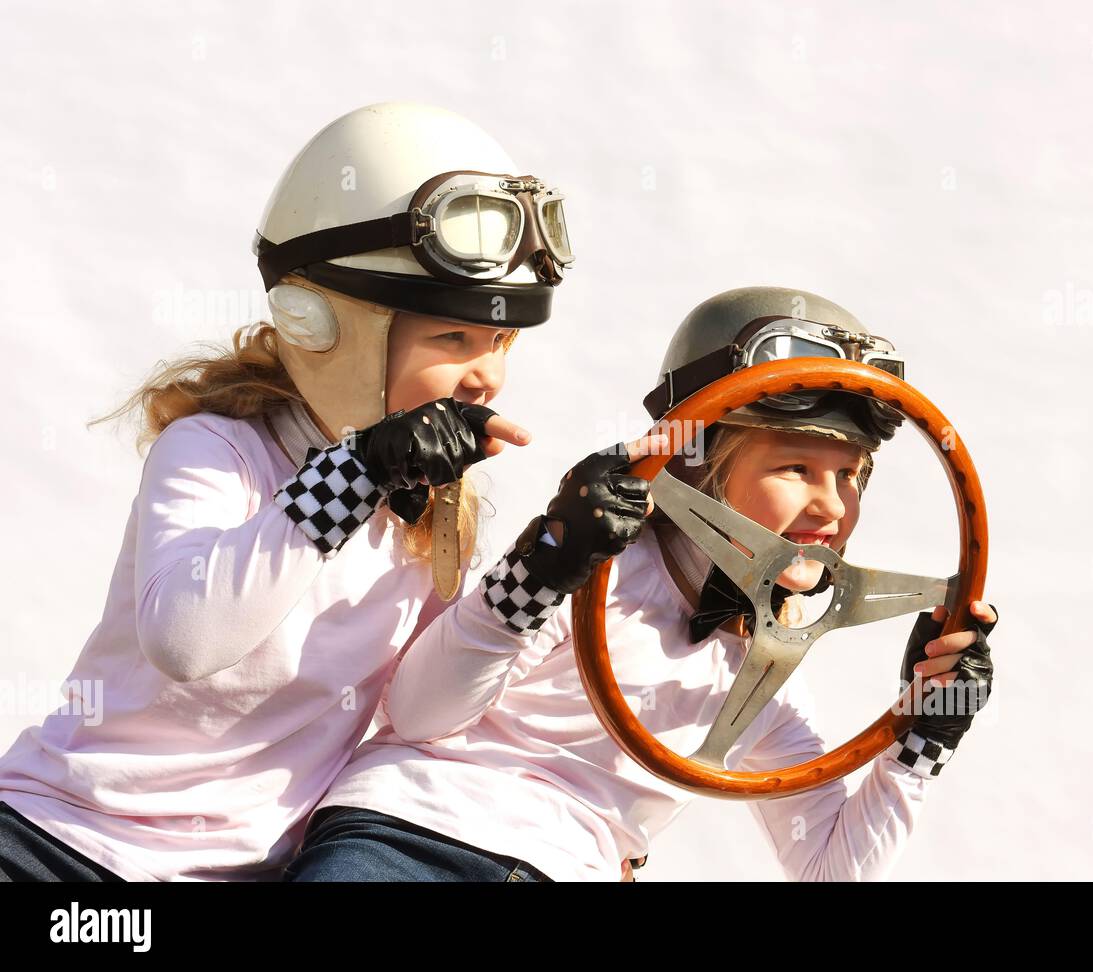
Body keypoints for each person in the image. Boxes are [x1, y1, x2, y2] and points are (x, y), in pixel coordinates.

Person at [0, 101, 574, 881]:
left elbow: (421, 713)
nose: (488, 374)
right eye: (454, 338)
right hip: (61, 845)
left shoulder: (434, 508)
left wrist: (535, 575)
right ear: (322, 323)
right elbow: (186, 639)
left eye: (501, 341)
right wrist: (358, 472)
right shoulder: (214, 449)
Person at [284, 286, 998, 882]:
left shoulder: (762, 671)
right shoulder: (594, 576)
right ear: (691, 466)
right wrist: (541, 568)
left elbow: (831, 867)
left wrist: (922, 738)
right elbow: (418, 715)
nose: (834, 507)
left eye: (851, 475)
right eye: (795, 470)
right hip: (408, 839)